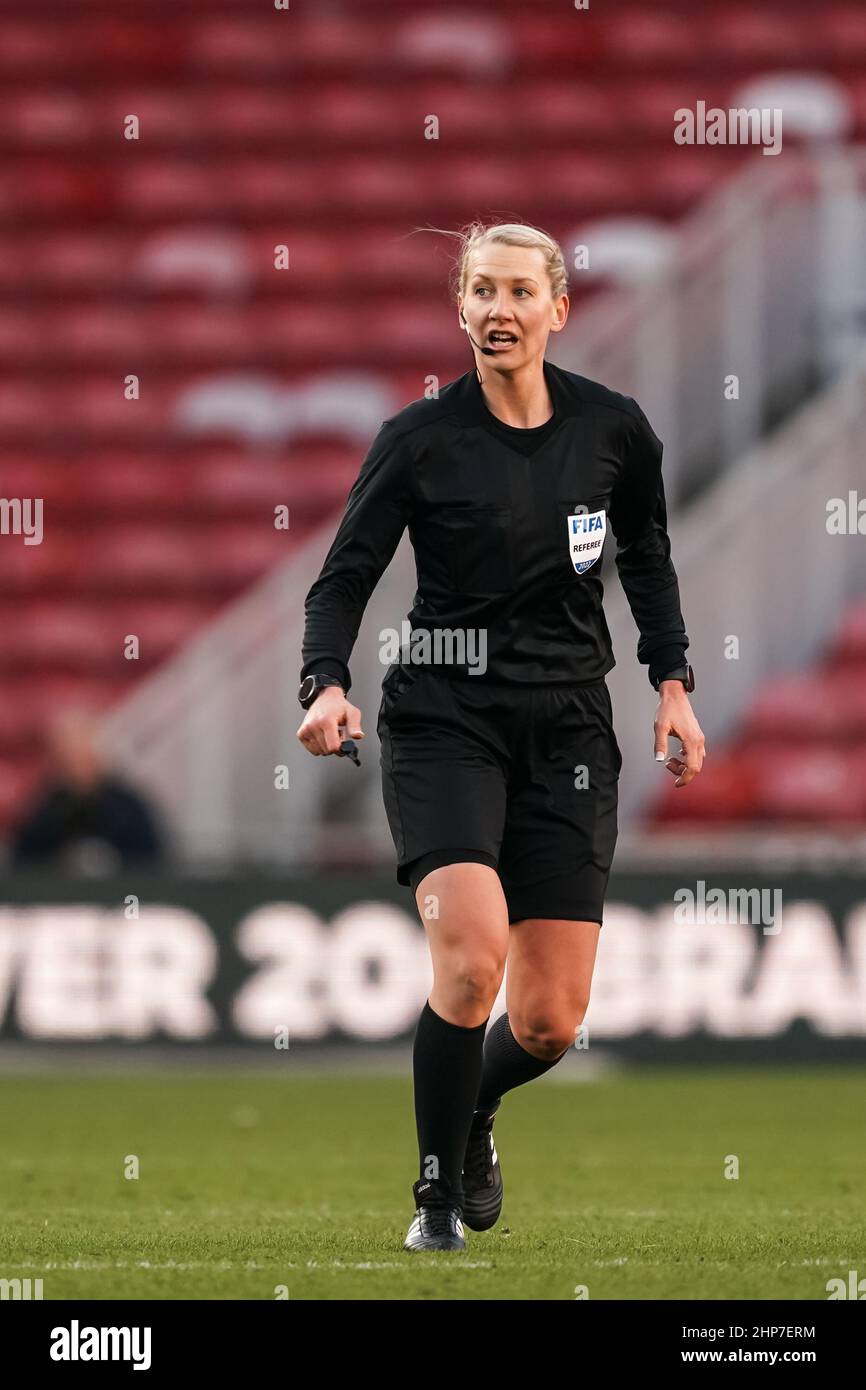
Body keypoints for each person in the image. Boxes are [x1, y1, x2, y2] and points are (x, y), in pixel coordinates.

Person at [297, 221, 705, 1252]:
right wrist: (325, 681)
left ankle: (474, 1113)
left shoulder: (612, 432)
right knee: (470, 963)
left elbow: (647, 562)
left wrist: (671, 683)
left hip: (568, 722)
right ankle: (434, 1199)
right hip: (445, 716)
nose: (497, 309)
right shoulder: (420, 438)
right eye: (479, 290)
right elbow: (344, 573)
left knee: (546, 1023)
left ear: (557, 309)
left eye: (519, 291)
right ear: (460, 308)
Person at [9, 707, 164, 874]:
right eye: (69, 754)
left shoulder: (128, 809)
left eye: (83, 753)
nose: (77, 764)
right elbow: (24, 862)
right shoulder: (44, 808)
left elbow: (151, 860)